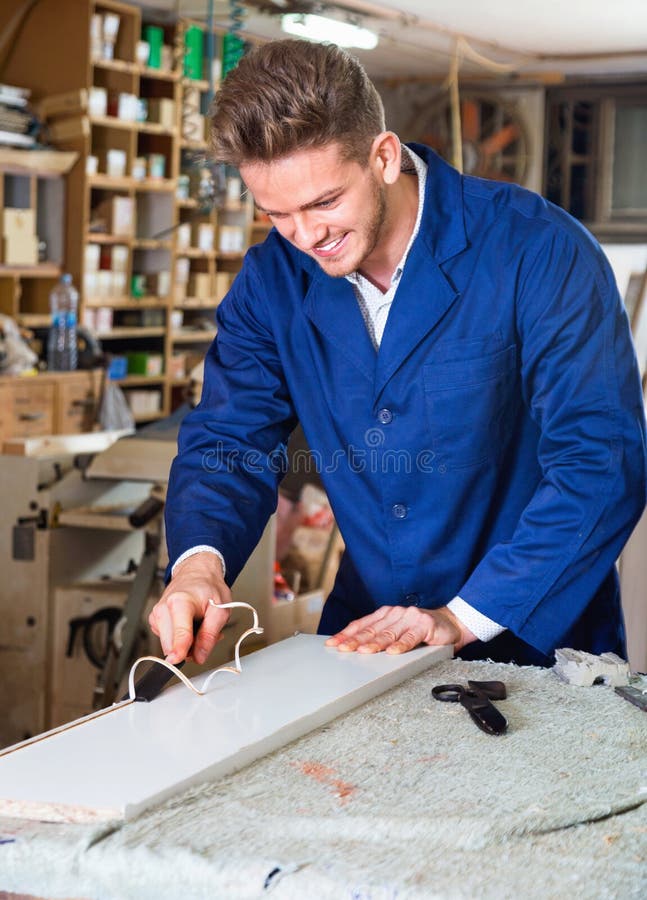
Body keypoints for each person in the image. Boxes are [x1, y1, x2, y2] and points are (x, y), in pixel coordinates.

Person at [150, 39, 646, 669]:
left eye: (324, 202)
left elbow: (600, 463)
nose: (306, 237)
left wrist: (460, 618)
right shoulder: (271, 281)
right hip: (369, 632)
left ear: (383, 157)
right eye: (276, 213)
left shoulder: (539, 251)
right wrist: (197, 566)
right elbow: (229, 437)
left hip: (535, 634)